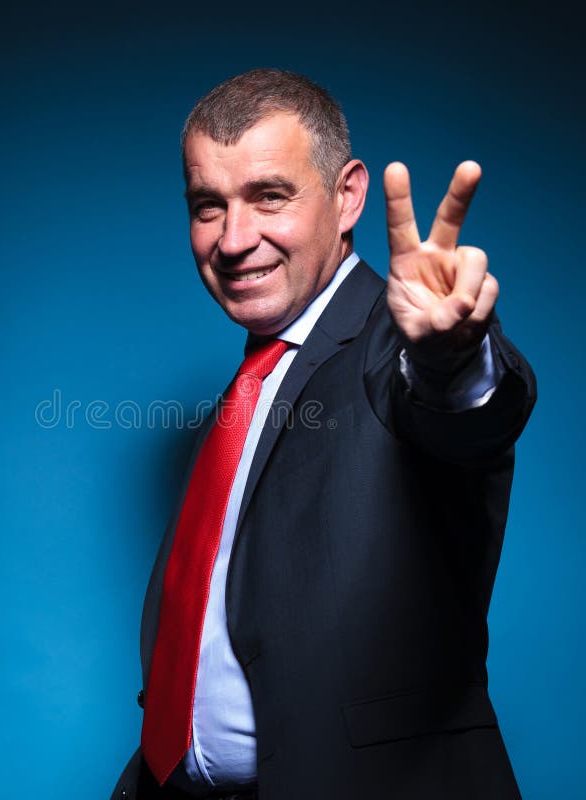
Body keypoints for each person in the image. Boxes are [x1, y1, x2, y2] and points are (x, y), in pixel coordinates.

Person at [111, 69, 536, 800]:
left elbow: (466, 415)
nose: (234, 239)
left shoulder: (391, 347)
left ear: (348, 197)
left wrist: (451, 356)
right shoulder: (254, 389)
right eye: (207, 206)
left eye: (269, 197)